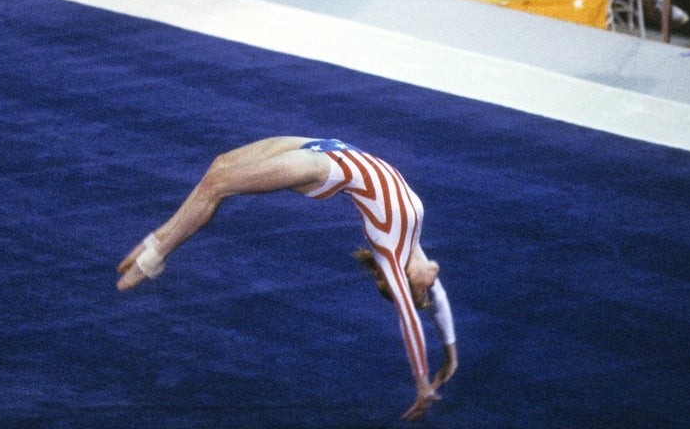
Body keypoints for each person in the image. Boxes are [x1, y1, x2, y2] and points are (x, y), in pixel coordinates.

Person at [117, 136, 458, 423]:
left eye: (422, 290)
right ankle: (159, 237)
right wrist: (450, 355)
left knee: (219, 186)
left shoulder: (391, 254)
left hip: (321, 168)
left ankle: (152, 258)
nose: (433, 283)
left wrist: (421, 382)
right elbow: (434, 305)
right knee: (220, 166)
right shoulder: (412, 245)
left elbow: (410, 319)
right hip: (322, 145)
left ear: (399, 281)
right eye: (428, 289)